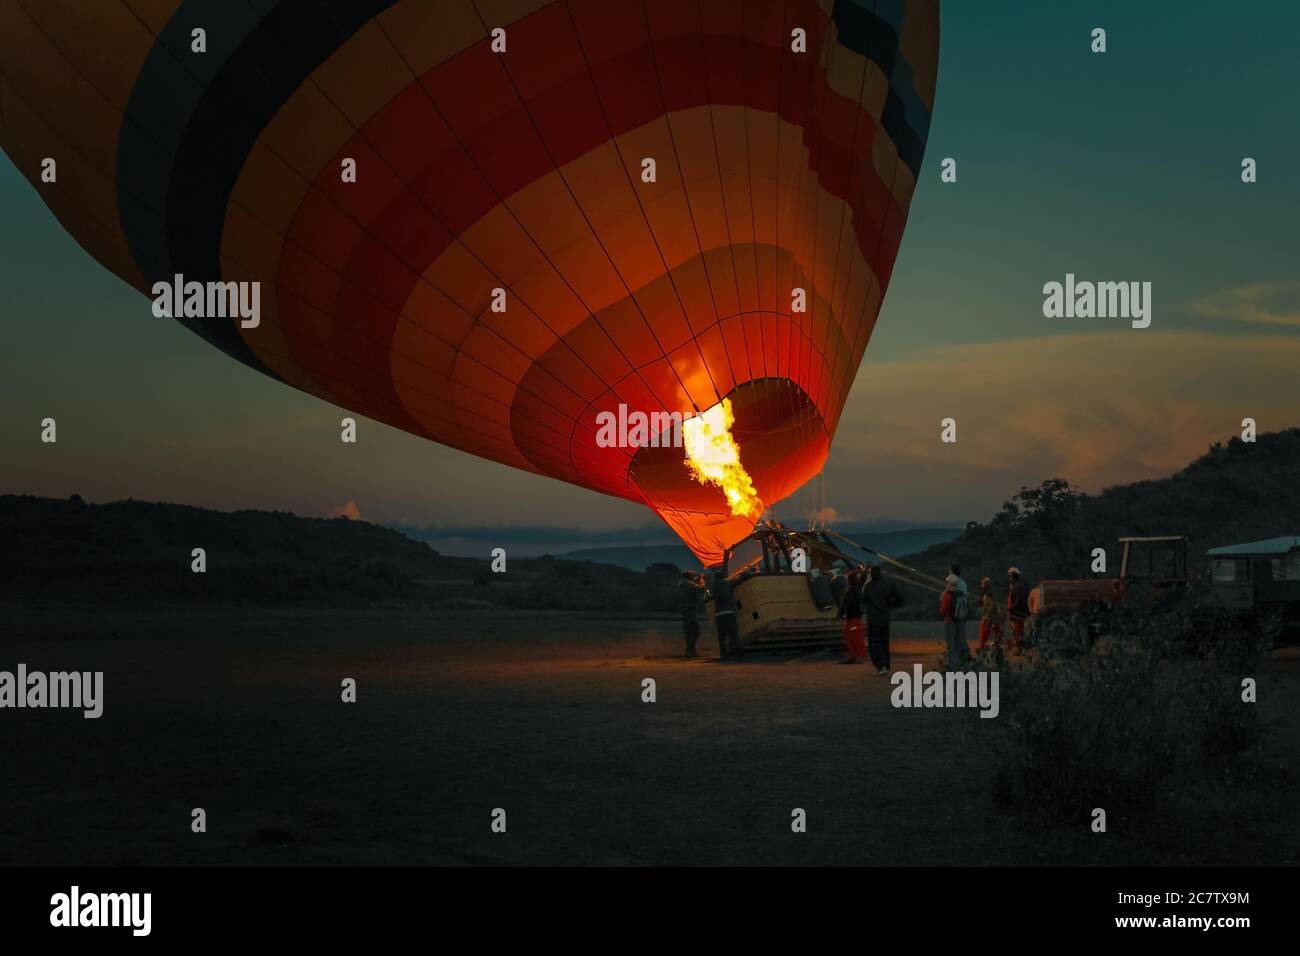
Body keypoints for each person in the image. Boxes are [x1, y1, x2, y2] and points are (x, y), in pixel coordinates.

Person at [861, 564, 905, 675]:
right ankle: (886, 666)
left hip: (873, 619)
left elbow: (864, 599)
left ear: (871, 575)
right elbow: (900, 598)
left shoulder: (869, 586)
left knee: (874, 644)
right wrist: (890, 605)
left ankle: (880, 667)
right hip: (885, 618)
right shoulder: (889, 585)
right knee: (884, 643)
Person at [939, 565, 969, 666]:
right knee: (961, 642)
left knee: (951, 645)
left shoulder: (948, 594)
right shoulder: (964, 584)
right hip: (961, 619)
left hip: (950, 621)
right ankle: (964, 664)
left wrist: (946, 590)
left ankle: (953, 666)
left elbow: (942, 608)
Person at [837, 568, 867, 664]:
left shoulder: (851, 589)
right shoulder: (857, 587)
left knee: (853, 636)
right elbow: (862, 580)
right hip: (855, 617)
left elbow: (846, 603)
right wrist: (865, 571)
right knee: (854, 636)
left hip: (852, 618)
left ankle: (857, 656)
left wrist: (840, 614)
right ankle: (855, 655)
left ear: (848, 579)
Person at [710, 571, 740, 660]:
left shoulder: (714, 586)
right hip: (729, 612)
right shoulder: (728, 583)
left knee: (722, 636)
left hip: (719, 614)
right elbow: (738, 580)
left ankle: (723, 654)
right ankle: (735, 654)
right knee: (733, 634)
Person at [677, 571, 707, 657]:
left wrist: (698, 578)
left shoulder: (684, 584)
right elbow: (701, 589)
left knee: (689, 631)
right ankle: (689, 650)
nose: (694, 576)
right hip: (690, 609)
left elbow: (693, 584)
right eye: (692, 575)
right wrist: (702, 580)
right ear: (688, 576)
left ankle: (692, 651)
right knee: (696, 631)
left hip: (686, 610)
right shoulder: (689, 584)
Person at [977, 576, 1004, 651]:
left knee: (984, 632)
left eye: (983, 584)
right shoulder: (986, 595)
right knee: (994, 632)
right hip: (991, 617)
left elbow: (992, 607)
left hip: (989, 617)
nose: (982, 586)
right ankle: (993, 646)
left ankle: (983, 648)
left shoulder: (989, 595)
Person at [1007, 567, 1030, 654]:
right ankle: (1021, 649)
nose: (1010, 579)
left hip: (1018, 614)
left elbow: (1018, 602)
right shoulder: (1018, 586)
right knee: (1018, 631)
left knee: (1017, 632)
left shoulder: (1017, 587)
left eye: (1010, 577)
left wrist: (1010, 608)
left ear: (1013, 578)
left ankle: (1020, 649)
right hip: (1017, 614)